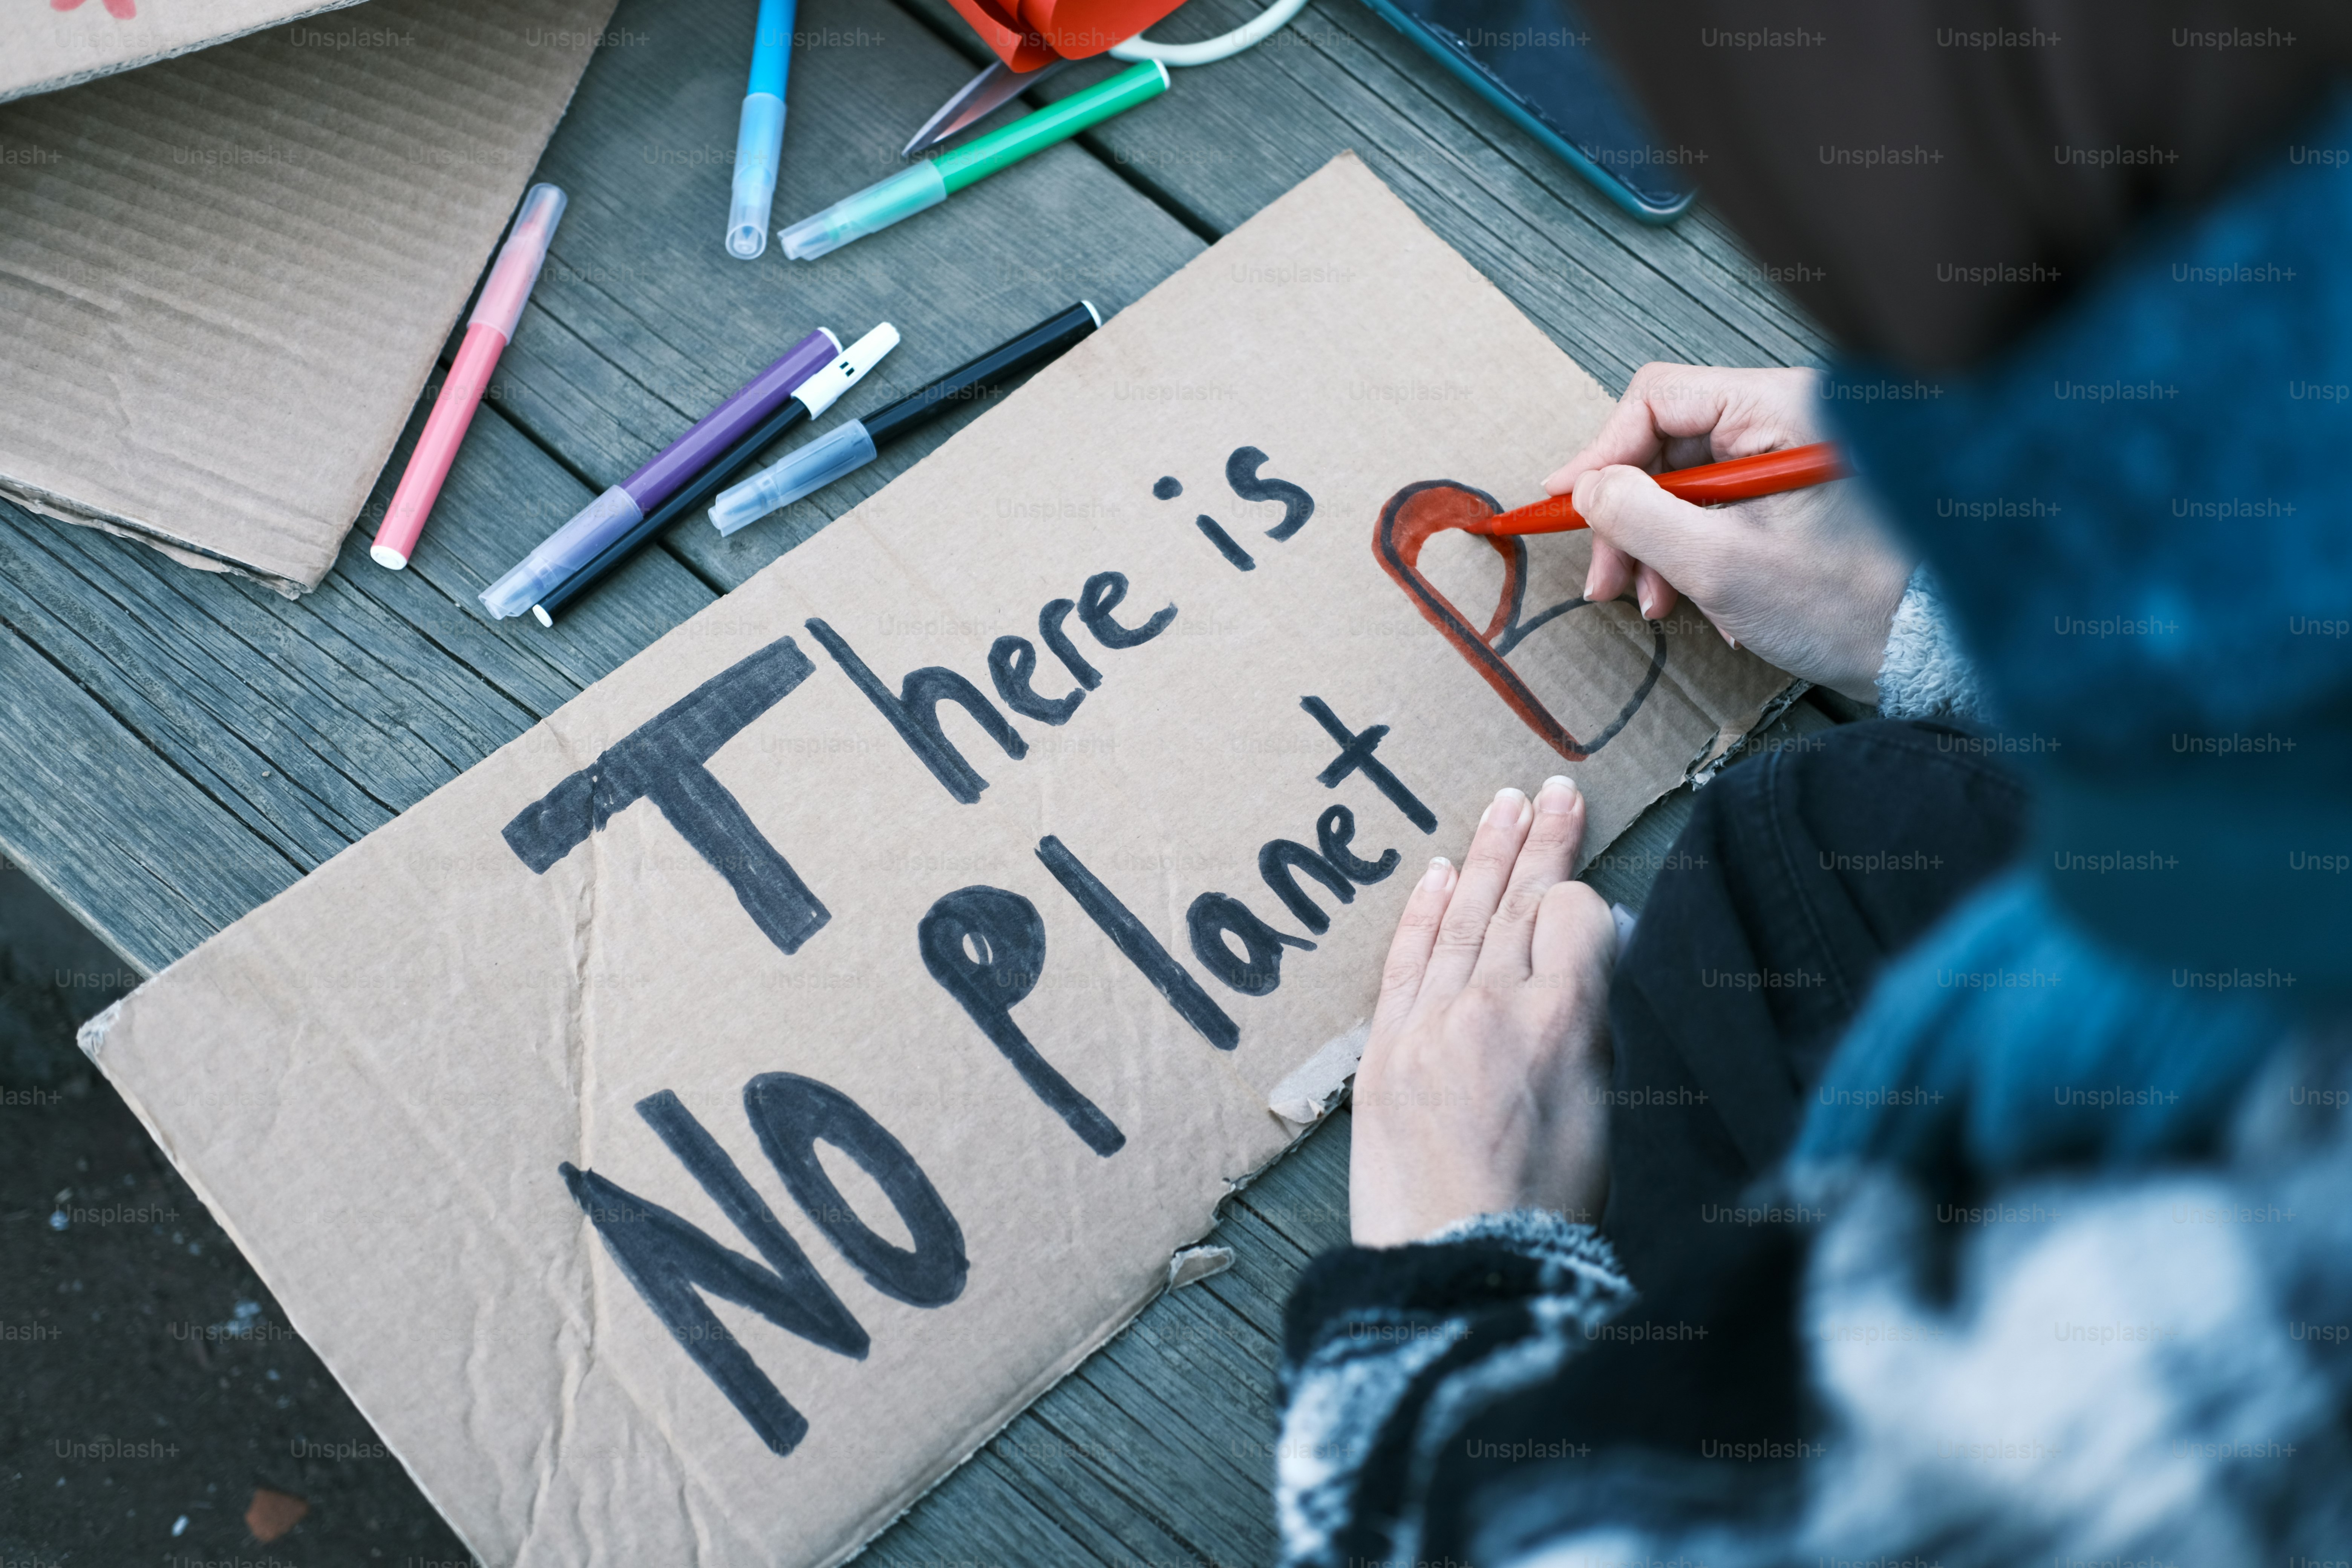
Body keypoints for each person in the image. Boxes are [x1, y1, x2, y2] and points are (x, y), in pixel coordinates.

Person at [1273, 3, 2352, 1562]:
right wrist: (1973, 594)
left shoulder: (2227, 1308)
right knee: (1829, 839)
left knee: (1774, 885)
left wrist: (1449, 1255)